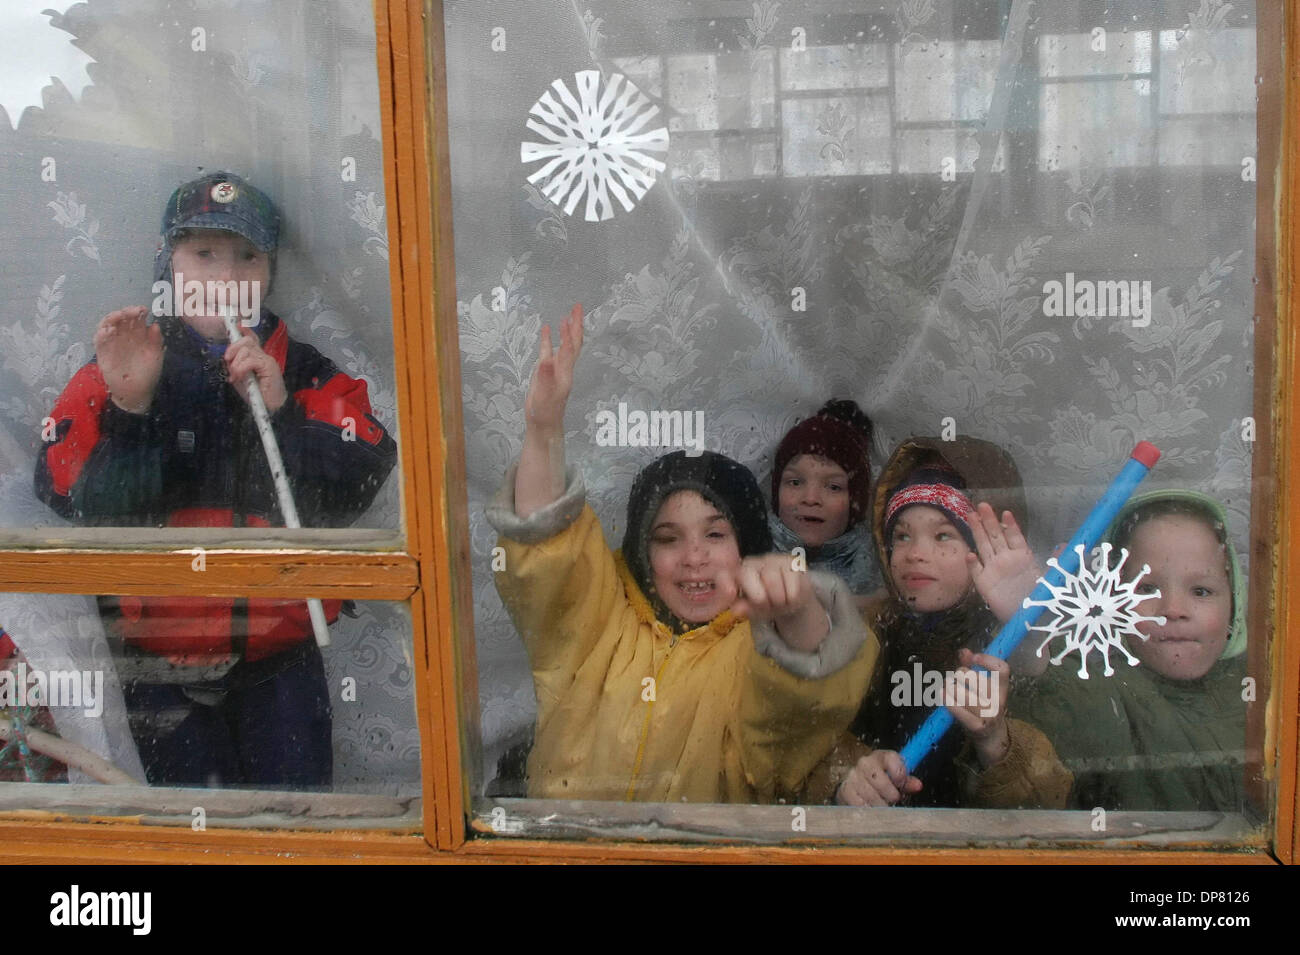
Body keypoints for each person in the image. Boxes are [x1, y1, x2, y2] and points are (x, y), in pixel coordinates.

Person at [33, 171, 398, 788]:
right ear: (165, 262)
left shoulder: (303, 368)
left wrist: (281, 414)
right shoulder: (118, 363)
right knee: (190, 841)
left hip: (279, 661)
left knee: (293, 830)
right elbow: (78, 501)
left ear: (271, 272)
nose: (225, 280)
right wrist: (131, 410)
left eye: (247, 258)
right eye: (203, 254)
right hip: (155, 670)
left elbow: (358, 479)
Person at [485, 305, 880, 802]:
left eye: (716, 535)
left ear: (749, 546)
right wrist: (542, 434)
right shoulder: (600, 624)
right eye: (668, 538)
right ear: (641, 553)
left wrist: (797, 610)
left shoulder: (754, 651)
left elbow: (801, 706)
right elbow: (547, 557)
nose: (693, 557)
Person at [803, 436, 1071, 809]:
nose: (915, 554)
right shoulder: (862, 633)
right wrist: (847, 779)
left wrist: (996, 743)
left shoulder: (1016, 645)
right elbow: (806, 746)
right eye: (902, 535)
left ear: (988, 548)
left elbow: (1053, 801)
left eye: (943, 535)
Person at [1013, 490, 1249, 812]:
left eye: (1201, 591)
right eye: (1147, 588)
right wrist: (1028, 640)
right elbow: (1033, 784)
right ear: (1112, 600)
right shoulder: (1095, 691)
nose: (1174, 609)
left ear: (1234, 605)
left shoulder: (1266, 693)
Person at [768, 399, 881, 596]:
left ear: (855, 503)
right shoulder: (740, 559)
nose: (811, 499)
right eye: (795, 482)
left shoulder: (883, 574)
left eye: (833, 487)